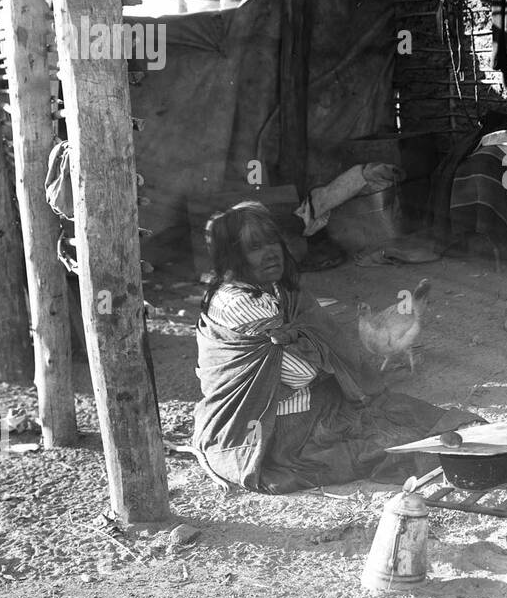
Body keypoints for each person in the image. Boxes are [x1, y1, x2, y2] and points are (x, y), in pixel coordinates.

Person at [193, 201, 477, 493]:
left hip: (311, 404)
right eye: (254, 248)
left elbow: (313, 349)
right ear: (232, 258)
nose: (271, 253)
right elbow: (301, 374)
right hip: (265, 428)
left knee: (399, 421)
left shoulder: (275, 290)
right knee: (382, 446)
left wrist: (311, 351)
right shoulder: (242, 303)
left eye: (272, 242)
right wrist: (317, 356)